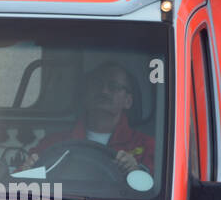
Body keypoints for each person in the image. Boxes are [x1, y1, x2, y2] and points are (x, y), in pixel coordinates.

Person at [22, 61, 155, 174]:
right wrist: (26, 170)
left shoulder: (146, 146)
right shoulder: (52, 143)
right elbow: (21, 183)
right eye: (97, 84)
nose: (103, 91)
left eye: (113, 86)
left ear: (128, 101)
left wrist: (136, 172)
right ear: (85, 95)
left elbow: (156, 191)